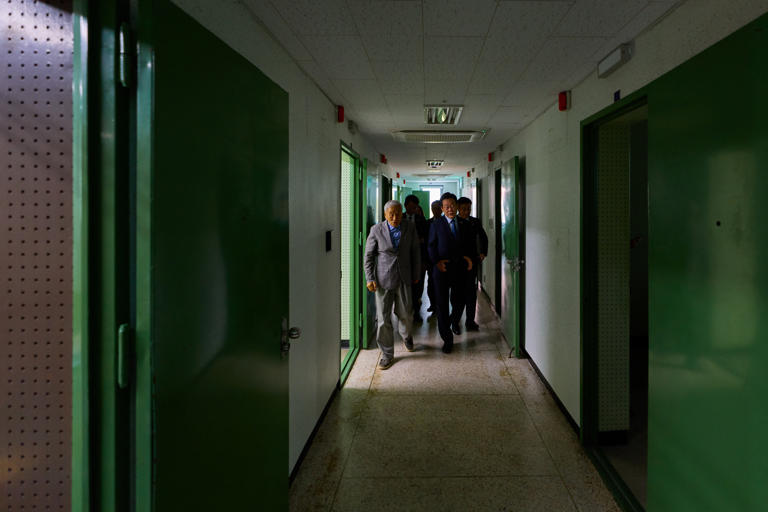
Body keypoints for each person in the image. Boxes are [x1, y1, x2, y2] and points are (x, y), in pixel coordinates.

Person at [364, 200, 421, 369]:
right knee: (383, 319)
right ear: (385, 214)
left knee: (406, 314)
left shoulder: (409, 226)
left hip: (404, 277)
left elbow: (415, 251)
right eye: (391, 214)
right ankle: (387, 354)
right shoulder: (376, 230)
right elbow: (368, 256)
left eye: (398, 213)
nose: (395, 217)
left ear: (402, 213)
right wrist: (369, 278)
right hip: (383, 279)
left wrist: (416, 274)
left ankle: (406, 336)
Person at [427, 193, 473, 353]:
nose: (450, 209)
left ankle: (453, 321)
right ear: (442, 208)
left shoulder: (463, 223)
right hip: (442, 270)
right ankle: (447, 339)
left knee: (459, 301)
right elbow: (431, 246)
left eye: (452, 205)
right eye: (446, 206)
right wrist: (436, 262)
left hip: (459, 269)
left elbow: (469, 244)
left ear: (457, 206)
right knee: (441, 304)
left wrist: (468, 257)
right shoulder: (436, 224)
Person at [457, 197, 489, 331]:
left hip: (473, 261)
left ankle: (470, 321)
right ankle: (455, 320)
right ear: (458, 208)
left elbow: (483, 237)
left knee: (471, 292)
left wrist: (483, 252)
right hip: (458, 262)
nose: (466, 211)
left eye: (469, 209)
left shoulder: (475, 221)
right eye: (464, 209)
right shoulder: (454, 221)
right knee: (458, 293)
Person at [403, 194, 429, 323]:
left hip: (419, 260)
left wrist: (424, 261)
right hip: (403, 261)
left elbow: (426, 240)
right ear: (405, 206)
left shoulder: (421, 220)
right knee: (405, 287)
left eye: (415, 208)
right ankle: (405, 312)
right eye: (411, 207)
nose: (413, 210)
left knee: (418, 286)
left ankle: (417, 312)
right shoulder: (400, 218)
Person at [425, 200, 442, 315]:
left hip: (443, 259)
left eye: (437, 208)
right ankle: (433, 304)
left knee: (442, 285)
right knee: (431, 283)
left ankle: (440, 306)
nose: (435, 210)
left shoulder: (446, 222)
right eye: (433, 208)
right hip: (430, 259)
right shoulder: (427, 223)